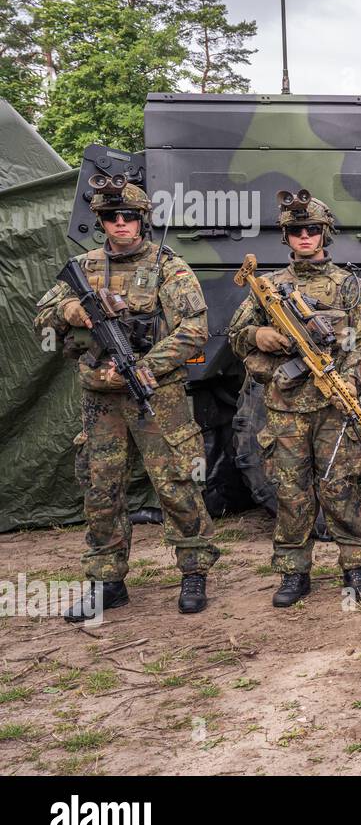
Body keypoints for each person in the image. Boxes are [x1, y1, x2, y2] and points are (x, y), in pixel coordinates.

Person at [33, 180, 218, 619]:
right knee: (102, 490)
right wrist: (68, 311)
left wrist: (144, 367)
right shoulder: (81, 268)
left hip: (156, 393)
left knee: (175, 483)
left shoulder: (168, 268)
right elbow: (41, 318)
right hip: (100, 402)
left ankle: (193, 572)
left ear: (142, 220)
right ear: (100, 222)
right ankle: (106, 581)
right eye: (112, 217)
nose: (121, 224)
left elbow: (194, 329)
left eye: (129, 217)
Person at [228, 189, 361, 607]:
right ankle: (294, 572)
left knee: (340, 487)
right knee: (291, 490)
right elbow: (236, 335)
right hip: (285, 407)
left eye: (311, 229)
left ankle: (356, 566)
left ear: (324, 233)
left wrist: (350, 378)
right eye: (296, 230)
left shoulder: (349, 285)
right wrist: (258, 334)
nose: (304, 236)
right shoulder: (268, 286)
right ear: (287, 236)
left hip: (333, 405)